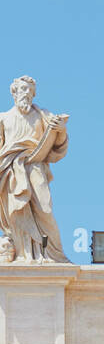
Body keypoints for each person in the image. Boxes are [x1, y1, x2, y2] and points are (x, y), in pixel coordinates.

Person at [0, 76, 69, 262]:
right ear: (13, 92)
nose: (27, 94)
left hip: (36, 167)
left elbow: (58, 146)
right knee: (17, 214)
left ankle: (52, 254)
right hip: (11, 172)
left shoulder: (43, 115)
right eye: (23, 89)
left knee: (45, 210)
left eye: (30, 90)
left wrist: (61, 130)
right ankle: (24, 254)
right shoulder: (3, 119)